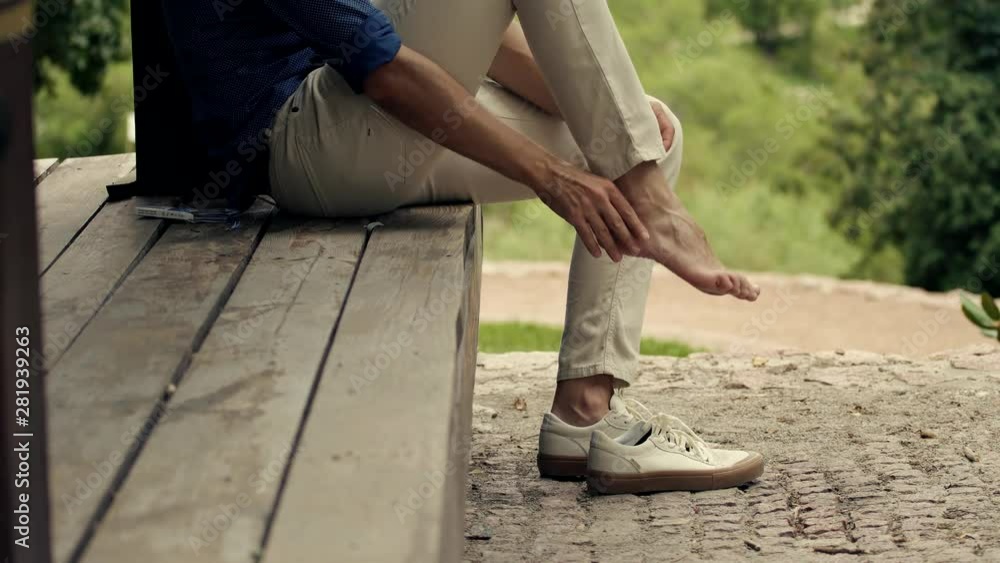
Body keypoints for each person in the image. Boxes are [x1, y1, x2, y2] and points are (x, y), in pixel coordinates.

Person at [163, 0, 764, 493]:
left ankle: (585, 411)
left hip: (359, 132)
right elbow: (384, 67)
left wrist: (616, 110)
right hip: (305, 141)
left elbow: (465, 32)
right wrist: (549, 176)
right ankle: (654, 205)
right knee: (629, 152)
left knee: (646, 138)